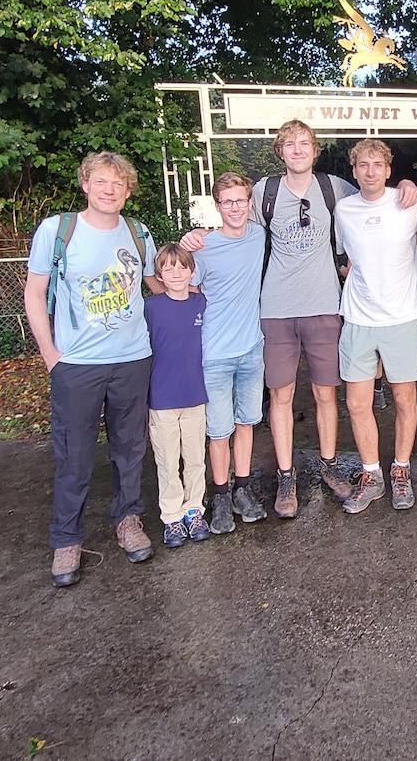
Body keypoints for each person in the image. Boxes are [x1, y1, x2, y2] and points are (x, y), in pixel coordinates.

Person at [183, 120, 417, 518]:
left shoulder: (334, 189)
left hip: (326, 306)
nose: (297, 149)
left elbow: (377, 194)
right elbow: (236, 225)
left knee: (327, 394)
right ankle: (286, 475)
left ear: (316, 150)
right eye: (289, 144)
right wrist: (201, 235)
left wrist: (410, 185)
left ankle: (328, 467)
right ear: (279, 151)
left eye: (304, 143)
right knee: (282, 395)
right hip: (275, 310)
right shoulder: (264, 192)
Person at [23, 152, 161, 588]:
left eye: (117, 184)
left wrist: (199, 260)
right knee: (74, 454)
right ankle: (67, 539)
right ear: (85, 184)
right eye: (101, 181)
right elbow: (35, 291)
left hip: (132, 359)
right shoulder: (58, 231)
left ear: (127, 190)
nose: (109, 189)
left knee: (130, 448)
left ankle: (128, 520)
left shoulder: (138, 235)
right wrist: (50, 353)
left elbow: (160, 285)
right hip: (77, 365)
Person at [333, 139, 417, 513]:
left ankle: (401, 469)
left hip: (400, 317)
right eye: (362, 165)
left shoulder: (410, 202)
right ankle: (371, 474)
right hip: (357, 317)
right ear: (353, 171)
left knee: (405, 400)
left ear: (389, 170)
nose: (370, 171)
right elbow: (344, 254)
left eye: (377, 164)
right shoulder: (344, 209)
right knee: (357, 403)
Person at [192, 172, 269, 532]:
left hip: (252, 348)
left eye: (241, 200)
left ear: (249, 203)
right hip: (215, 353)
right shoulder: (204, 247)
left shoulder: (258, 235)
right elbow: (185, 291)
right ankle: (220, 495)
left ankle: (242, 488)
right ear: (217, 206)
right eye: (227, 202)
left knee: (246, 422)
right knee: (219, 430)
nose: (235, 207)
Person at [143, 244, 214, 549]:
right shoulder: (151, 307)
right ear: (159, 273)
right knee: (168, 461)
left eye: (181, 267)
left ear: (191, 271)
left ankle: (194, 510)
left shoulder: (202, 304)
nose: (175, 273)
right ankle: (172, 516)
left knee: (196, 457)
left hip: (195, 394)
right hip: (162, 397)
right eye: (168, 268)